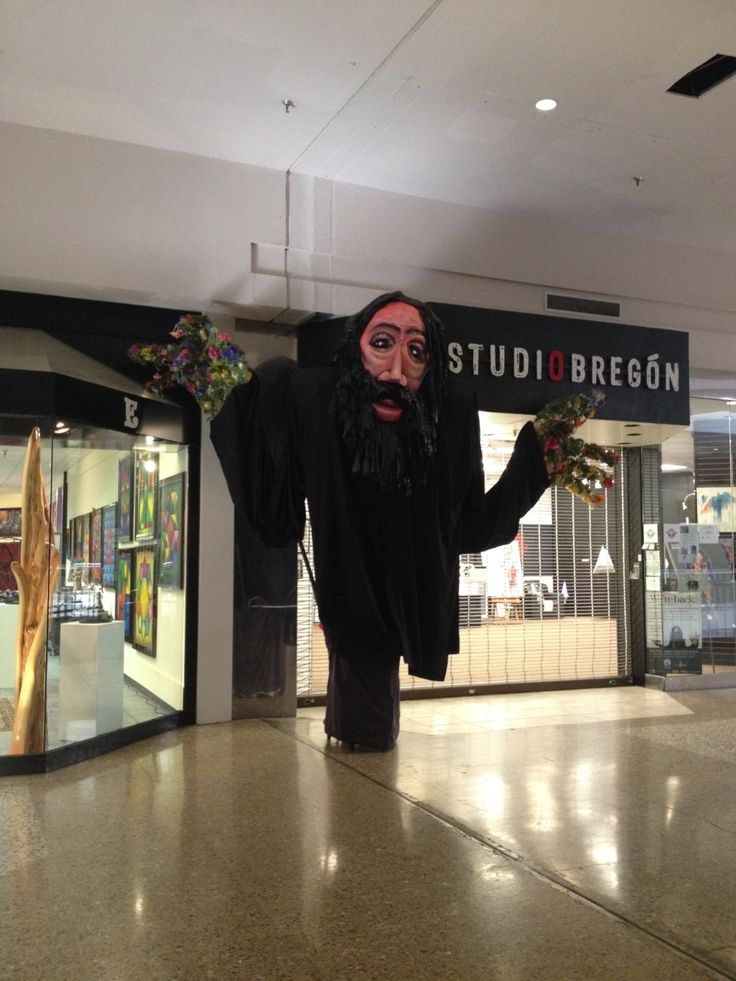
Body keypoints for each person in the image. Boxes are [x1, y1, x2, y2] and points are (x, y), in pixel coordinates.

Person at [209, 291, 551, 751]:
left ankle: (357, 733)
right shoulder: (317, 403)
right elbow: (274, 508)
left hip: (406, 585)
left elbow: (470, 523)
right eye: (382, 344)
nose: (395, 371)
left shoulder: (444, 418)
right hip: (347, 590)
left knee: (367, 676)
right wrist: (228, 396)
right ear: (356, 351)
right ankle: (354, 732)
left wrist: (535, 462)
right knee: (360, 662)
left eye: (416, 352)